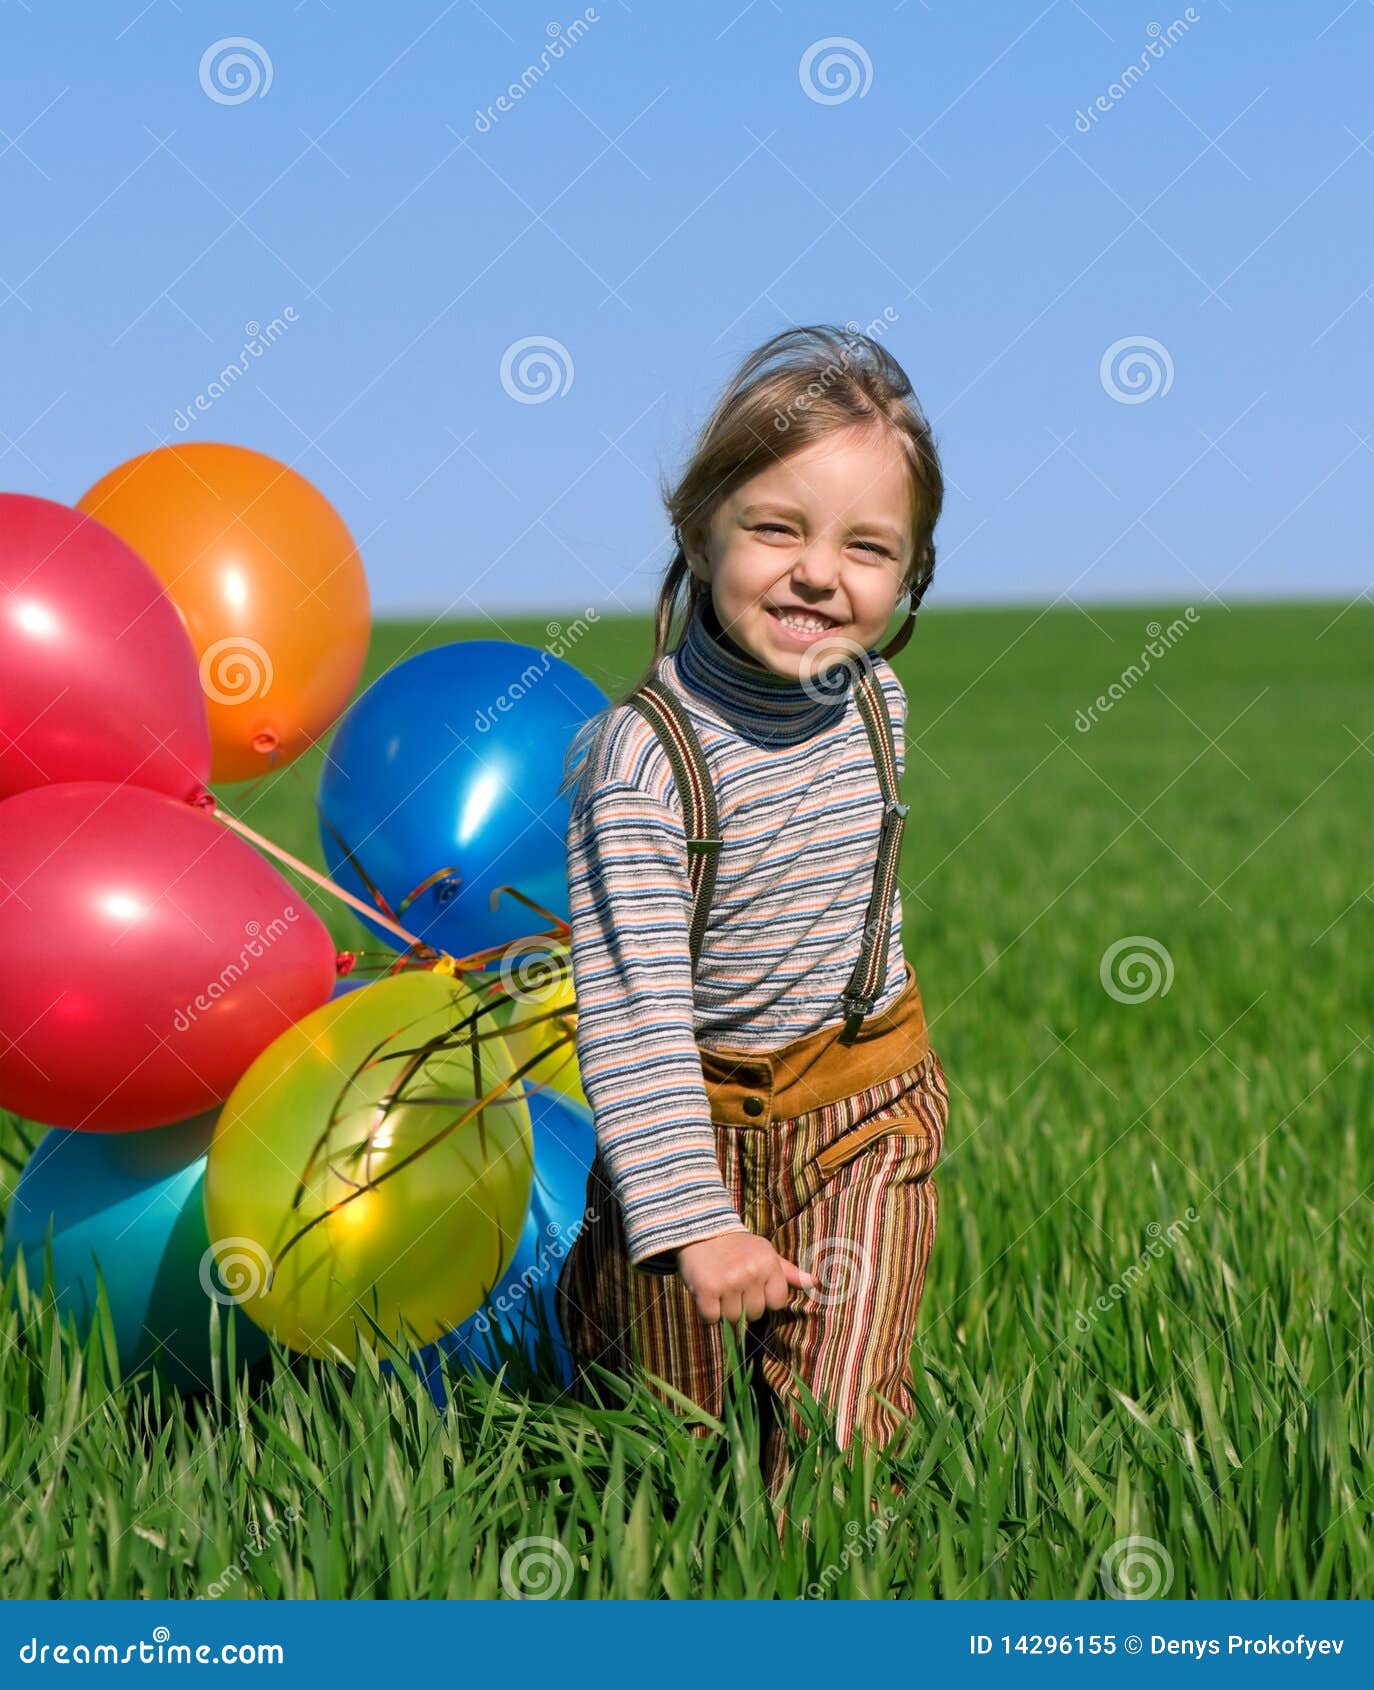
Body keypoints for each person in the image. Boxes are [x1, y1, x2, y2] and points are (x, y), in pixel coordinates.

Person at [554, 324, 951, 1499]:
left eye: (867, 546)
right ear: (698, 531)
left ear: (910, 575)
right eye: (778, 528)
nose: (819, 573)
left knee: (839, 1437)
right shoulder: (643, 764)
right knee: (662, 1451)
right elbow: (634, 1018)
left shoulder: (877, 701)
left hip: (866, 1111)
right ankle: (597, 1303)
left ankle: (821, 1582)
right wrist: (692, 1220)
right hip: (692, 1117)